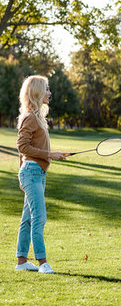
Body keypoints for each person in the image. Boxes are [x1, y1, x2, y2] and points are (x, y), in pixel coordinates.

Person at [15, 75, 69, 274]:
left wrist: (52, 155)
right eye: (46, 89)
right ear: (37, 92)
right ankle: (42, 263)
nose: (49, 93)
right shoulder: (30, 117)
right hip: (31, 173)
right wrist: (49, 155)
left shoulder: (37, 117)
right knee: (39, 217)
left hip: (35, 173)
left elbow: (26, 148)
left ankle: (21, 262)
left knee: (28, 219)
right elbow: (22, 146)